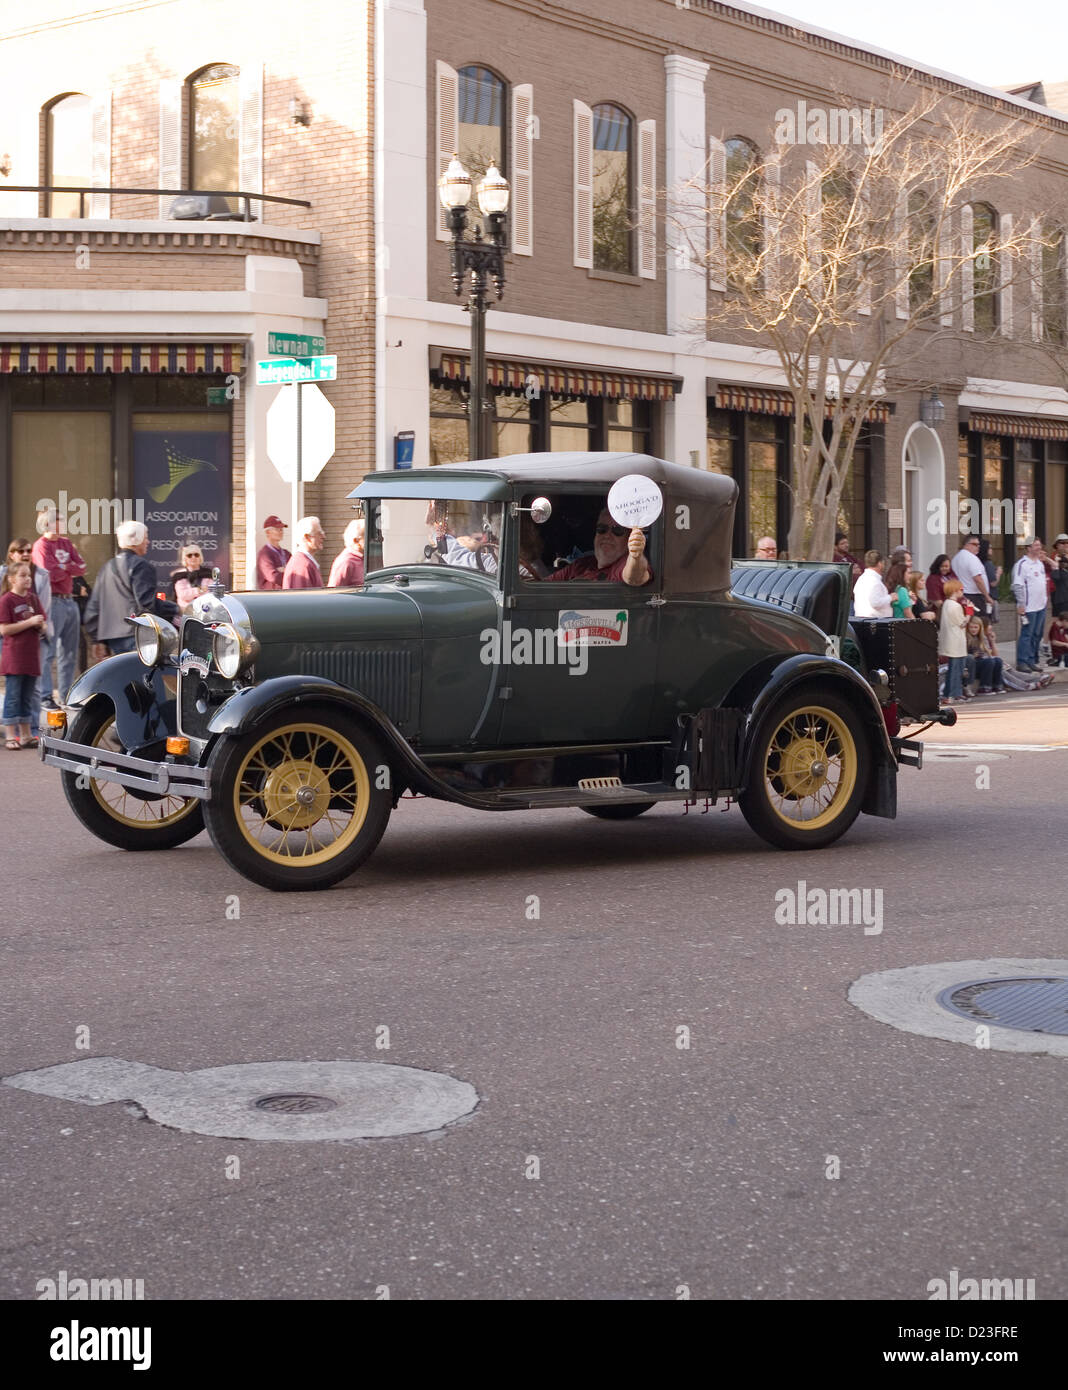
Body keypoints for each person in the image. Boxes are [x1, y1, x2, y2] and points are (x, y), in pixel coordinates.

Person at [84, 520, 180, 660]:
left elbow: (93, 607)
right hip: (136, 634)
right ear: (137, 539)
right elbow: (147, 603)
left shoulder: (106, 567)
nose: (148, 542)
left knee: (125, 679)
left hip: (112, 638)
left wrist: (96, 639)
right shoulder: (141, 565)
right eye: (146, 537)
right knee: (145, 678)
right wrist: (175, 609)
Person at [31, 505, 87, 707]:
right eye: (59, 520)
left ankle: (67, 696)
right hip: (52, 601)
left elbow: (82, 567)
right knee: (49, 652)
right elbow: (49, 572)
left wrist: (63, 567)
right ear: (47, 523)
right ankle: (46, 696)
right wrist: (67, 568)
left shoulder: (66, 542)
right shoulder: (41, 546)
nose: (62, 524)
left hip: (70, 600)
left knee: (70, 653)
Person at [0, 560, 46, 749]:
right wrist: (30, 622)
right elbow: (4, 629)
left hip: (31, 656)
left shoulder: (34, 599)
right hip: (15, 657)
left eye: (29, 575)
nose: (27, 579)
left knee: (27, 697)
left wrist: (41, 625)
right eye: (22, 576)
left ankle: (26, 735)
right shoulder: (6, 600)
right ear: (11, 579)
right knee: (13, 696)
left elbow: (44, 624)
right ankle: (11, 735)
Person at [547, 508, 652, 586]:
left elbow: (635, 578)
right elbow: (543, 585)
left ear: (628, 538)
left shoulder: (623, 565)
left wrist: (635, 556)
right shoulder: (581, 565)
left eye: (617, 531)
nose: (607, 535)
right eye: (602, 529)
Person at [1010, 537, 1049, 673]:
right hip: (1028, 607)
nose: (1039, 548)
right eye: (1035, 545)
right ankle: (1022, 661)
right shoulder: (1022, 564)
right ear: (1028, 548)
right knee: (1027, 634)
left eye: (1039, 545)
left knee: (1037, 635)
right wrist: (1021, 604)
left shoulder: (1039, 563)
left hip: (1041, 605)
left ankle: (1031, 660)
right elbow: (1017, 585)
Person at [938, 578, 969, 704]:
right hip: (956, 642)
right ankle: (953, 694)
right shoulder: (955, 606)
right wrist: (969, 612)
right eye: (961, 589)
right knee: (956, 669)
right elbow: (962, 623)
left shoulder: (946, 604)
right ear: (955, 591)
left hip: (950, 641)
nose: (962, 592)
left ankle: (952, 694)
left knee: (954, 669)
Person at [950, 535, 994, 617]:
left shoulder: (956, 558)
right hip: (974, 596)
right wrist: (987, 596)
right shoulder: (972, 558)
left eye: (978, 545)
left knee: (967, 619)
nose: (978, 547)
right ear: (967, 544)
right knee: (977, 621)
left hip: (962, 595)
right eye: (975, 544)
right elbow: (978, 579)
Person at [965, 615, 1004, 694]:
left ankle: (997, 685)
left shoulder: (982, 638)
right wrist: (974, 655)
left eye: (976, 627)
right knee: (989, 662)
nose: (973, 629)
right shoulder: (966, 638)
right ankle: (984, 687)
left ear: (980, 628)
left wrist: (992, 642)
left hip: (982, 662)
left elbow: (993, 655)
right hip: (972, 666)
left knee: (998, 660)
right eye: (971, 627)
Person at [282, 517, 325, 589]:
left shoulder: (304, 562)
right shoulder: (303, 565)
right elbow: (304, 598)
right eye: (319, 533)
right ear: (307, 537)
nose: (323, 536)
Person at [170, 545, 214, 610]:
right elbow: (183, 595)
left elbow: (211, 594)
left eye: (196, 555)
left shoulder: (208, 574)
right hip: (185, 612)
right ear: (185, 558)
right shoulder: (179, 575)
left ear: (200, 557)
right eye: (189, 555)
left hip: (205, 610)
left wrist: (191, 594)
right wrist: (199, 590)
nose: (193, 557)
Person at [852, 550, 893, 618]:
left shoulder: (862, 578)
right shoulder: (873, 581)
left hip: (864, 620)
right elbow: (875, 602)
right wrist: (891, 597)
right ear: (880, 563)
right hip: (874, 622)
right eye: (883, 562)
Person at [256, 516, 291, 590]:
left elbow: (295, 572)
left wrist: (282, 571)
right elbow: (273, 577)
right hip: (271, 597)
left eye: (281, 529)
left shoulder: (287, 553)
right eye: (277, 529)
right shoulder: (264, 554)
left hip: (286, 594)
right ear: (268, 532)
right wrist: (287, 572)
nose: (281, 531)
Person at [328, 519, 366, 587]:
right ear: (356, 540)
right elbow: (334, 592)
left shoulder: (363, 558)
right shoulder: (346, 562)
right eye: (366, 536)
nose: (371, 540)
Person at [977, 538, 1002, 622]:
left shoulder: (978, 562)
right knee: (989, 622)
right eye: (990, 548)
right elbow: (993, 583)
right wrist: (998, 573)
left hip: (981, 597)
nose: (991, 550)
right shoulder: (988, 564)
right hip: (990, 597)